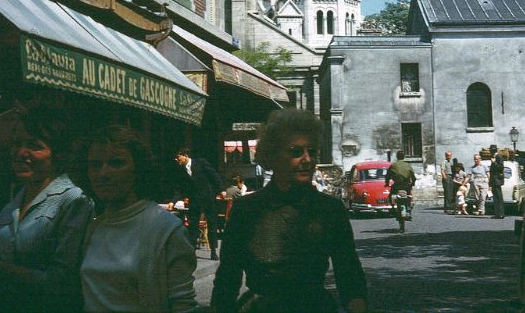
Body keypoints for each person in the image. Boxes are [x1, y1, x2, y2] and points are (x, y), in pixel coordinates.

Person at [211, 108, 367, 313]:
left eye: (312, 151)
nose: (307, 159)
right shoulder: (247, 210)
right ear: (273, 155)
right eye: (296, 151)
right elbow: (227, 279)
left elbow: (349, 275)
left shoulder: (330, 210)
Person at [0, 108, 94, 311]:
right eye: (17, 144)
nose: (20, 153)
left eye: (34, 146)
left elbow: (61, 284)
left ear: (57, 154)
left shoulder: (74, 201)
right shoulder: (12, 203)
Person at [71, 125, 197, 312]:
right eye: (95, 165)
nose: (103, 173)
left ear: (138, 168)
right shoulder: (94, 227)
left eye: (116, 163)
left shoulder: (167, 230)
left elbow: (183, 306)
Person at [173, 147, 223, 259]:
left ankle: (213, 250)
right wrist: (173, 201)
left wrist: (221, 189)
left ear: (185, 155)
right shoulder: (181, 171)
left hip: (208, 198)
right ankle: (192, 250)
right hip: (194, 200)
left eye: (178, 157)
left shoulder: (201, 163)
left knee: (212, 224)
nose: (176, 160)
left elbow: (213, 174)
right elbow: (179, 188)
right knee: (193, 225)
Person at [488, 145, 505, 219]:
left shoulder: (498, 157)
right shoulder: (494, 157)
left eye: (491, 150)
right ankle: (497, 213)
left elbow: (501, 167)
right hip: (494, 180)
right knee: (496, 197)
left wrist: (494, 163)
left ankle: (500, 213)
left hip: (497, 180)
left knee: (498, 197)